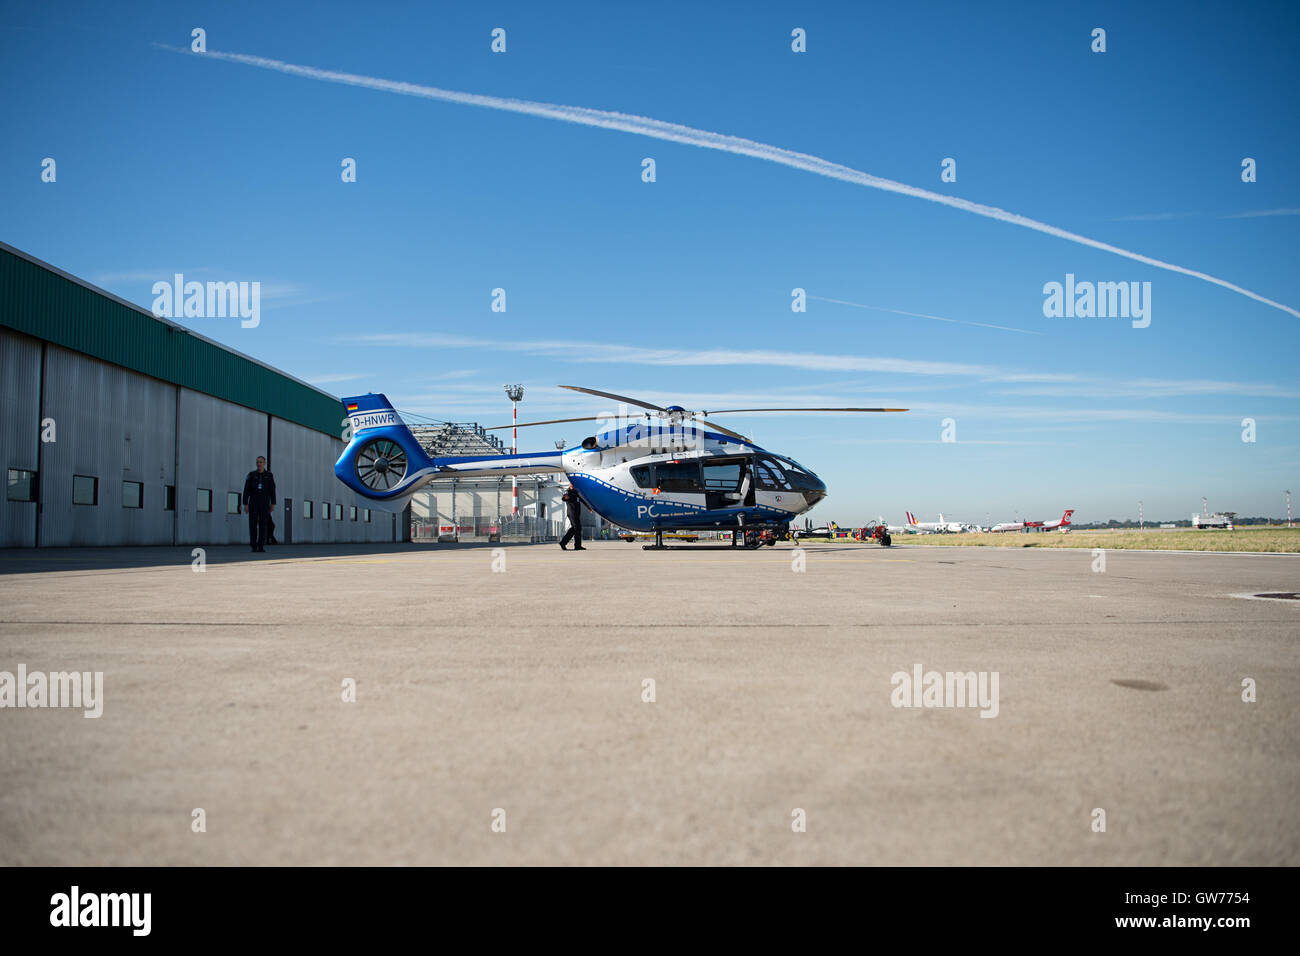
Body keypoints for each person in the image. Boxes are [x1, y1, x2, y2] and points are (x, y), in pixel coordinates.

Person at [242, 455, 277, 553]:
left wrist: (273, 503)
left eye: (261, 462)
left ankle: (261, 546)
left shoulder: (269, 475)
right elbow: (246, 490)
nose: (259, 464)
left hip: (264, 504)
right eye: (257, 462)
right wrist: (245, 504)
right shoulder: (251, 475)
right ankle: (254, 546)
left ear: (264, 463)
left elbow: (272, 490)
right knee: (252, 525)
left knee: (263, 525)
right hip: (253, 503)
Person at [559, 485, 585, 551]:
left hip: (576, 513)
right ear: (569, 485)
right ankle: (577, 546)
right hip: (572, 513)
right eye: (571, 485)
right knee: (577, 528)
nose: (572, 486)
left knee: (575, 529)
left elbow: (582, 500)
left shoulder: (576, 492)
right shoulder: (568, 492)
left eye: (573, 485)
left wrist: (589, 508)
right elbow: (564, 498)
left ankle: (563, 542)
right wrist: (565, 498)